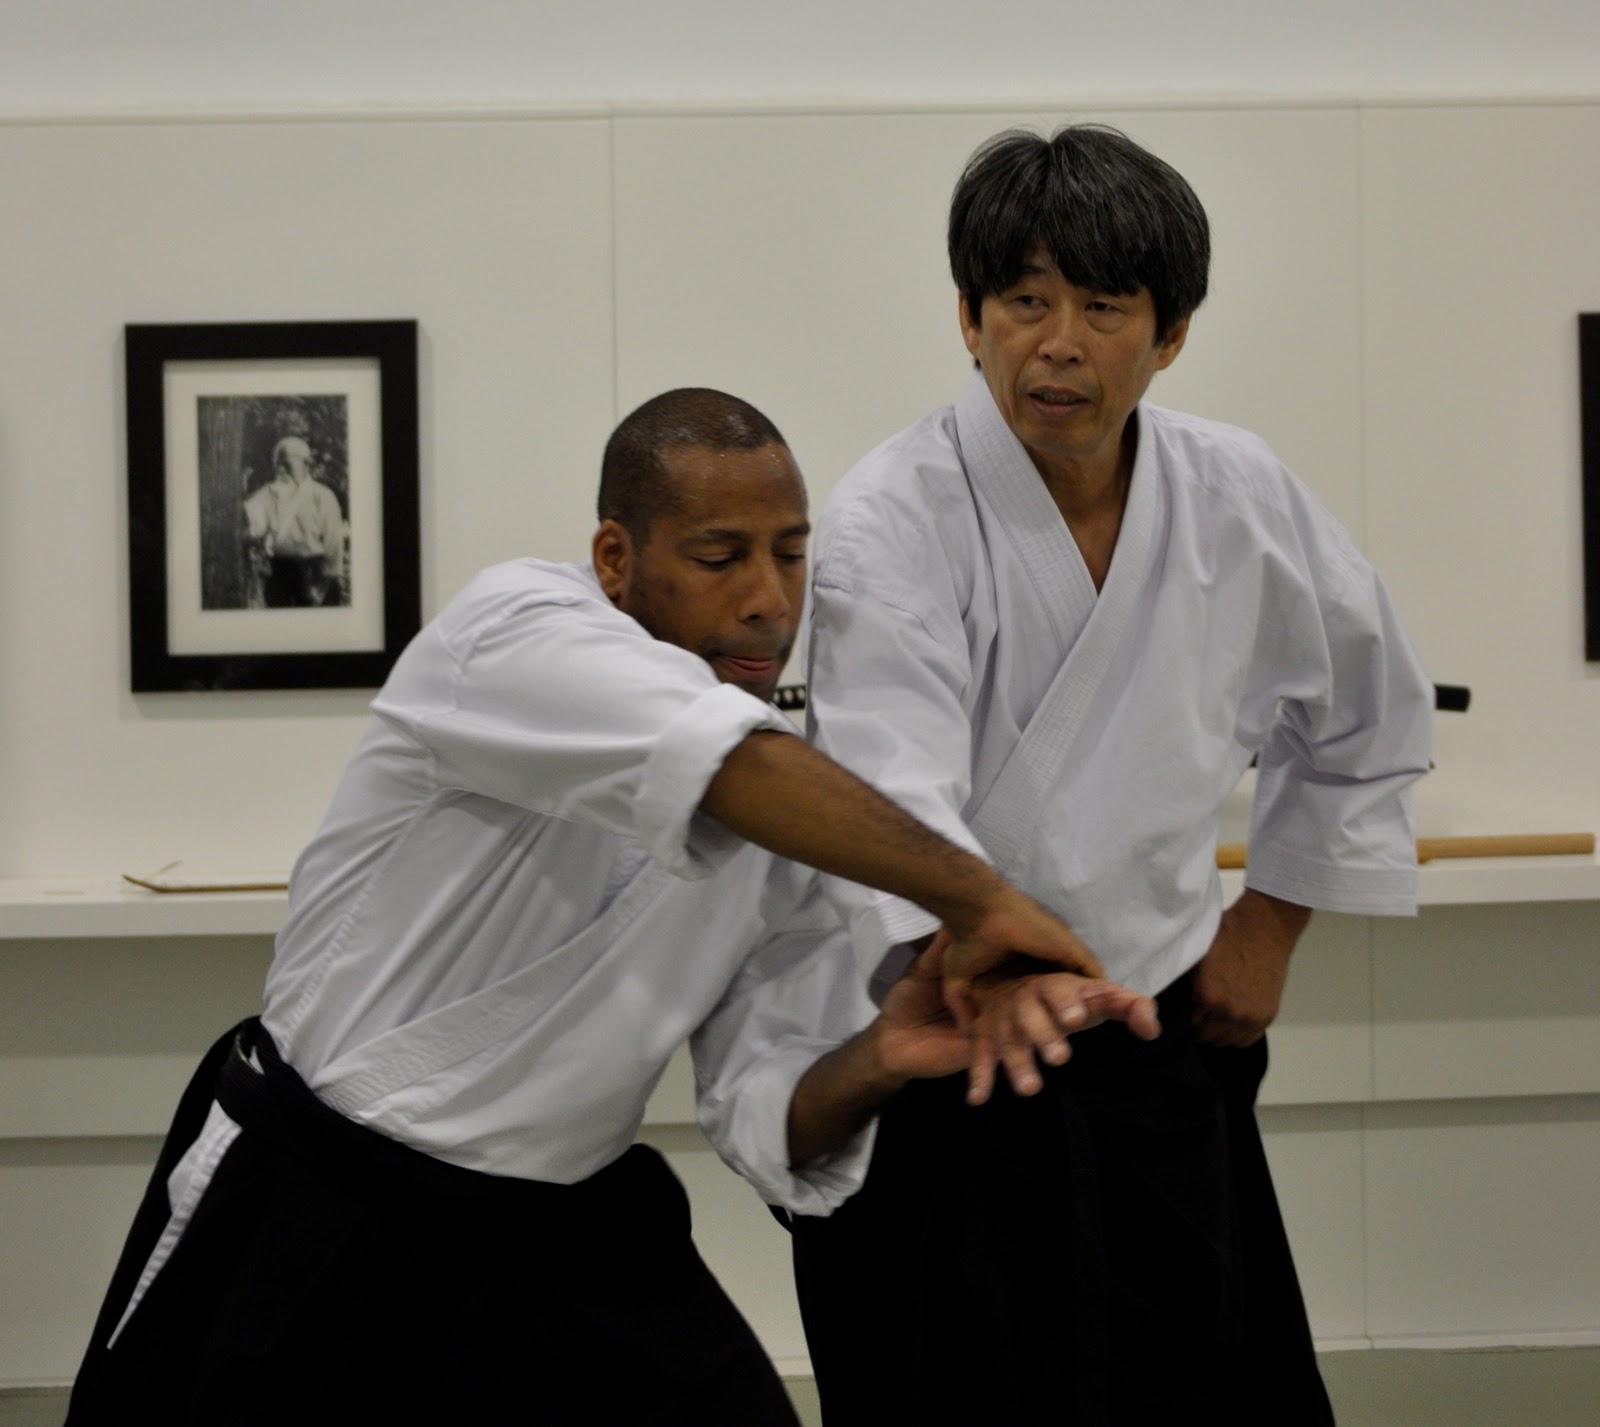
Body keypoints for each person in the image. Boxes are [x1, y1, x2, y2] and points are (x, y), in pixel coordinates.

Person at [65, 388, 1157, 1427]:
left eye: (790, 550)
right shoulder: (512, 630)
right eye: (721, 556)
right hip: (324, 1199)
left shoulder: (806, 799)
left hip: (565, 1225)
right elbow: (722, 763)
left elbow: (764, 1107)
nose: (769, 597)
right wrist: (978, 894)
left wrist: (879, 1055)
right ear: (616, 559)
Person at [791, 126, 1435, 1425]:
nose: (1060, 342)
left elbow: (1370, 710)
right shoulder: (893, 514)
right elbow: (885, 794)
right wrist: (997, 948)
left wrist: (1272, 919)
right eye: (1024, 299)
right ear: (968, 321)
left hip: (1158, 1027)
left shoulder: (1239, 492)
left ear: (1173, 331)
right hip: (946, 1035)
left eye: (1103, 303)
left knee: (1207, 1380)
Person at [241, 432, 347, 607]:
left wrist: (321, 587)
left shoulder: (321, 495)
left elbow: (334, 543)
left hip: (314, 573)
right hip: (279, 573)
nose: (281, 468)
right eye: (278, 463)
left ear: (306, 464)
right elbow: (253, 526)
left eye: (287, 463)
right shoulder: (268, 494)